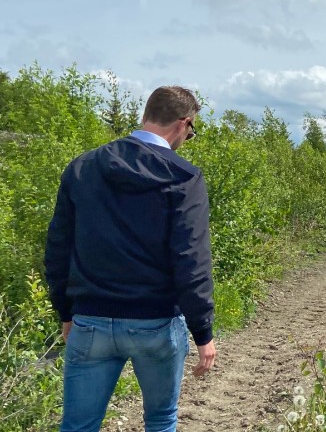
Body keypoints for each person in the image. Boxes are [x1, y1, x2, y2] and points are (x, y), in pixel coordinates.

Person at [44, 86, 217, 432]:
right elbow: (190, 261)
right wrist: (203, 332)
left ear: (147, 114)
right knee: (160, 419)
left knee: (77, 426)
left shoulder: (83, 167)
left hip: (90, 320)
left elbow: (58, 248)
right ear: (184, 123)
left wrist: (66, 311)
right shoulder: (183, 177)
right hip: (154, 322)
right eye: (192, 130)